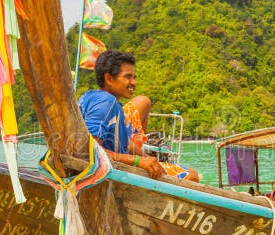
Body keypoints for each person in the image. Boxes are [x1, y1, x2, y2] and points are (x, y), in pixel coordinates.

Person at [78, 50, 199, 181]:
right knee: (192, 176)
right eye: (128, 77)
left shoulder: (90, 96)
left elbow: (126, 144)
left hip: (119, 161)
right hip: (117, 173)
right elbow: (87, 153)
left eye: (134, 77)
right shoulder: (106, 102)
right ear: (109, 79)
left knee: (143, 102)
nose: (134, 82)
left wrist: (145, 158)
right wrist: (137, 161)